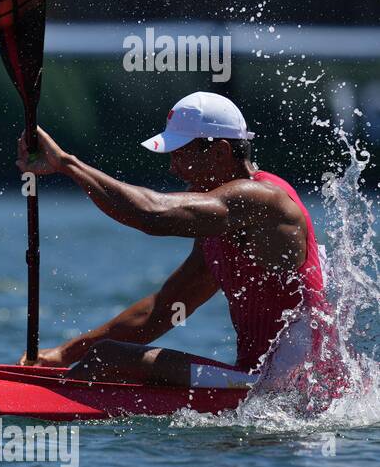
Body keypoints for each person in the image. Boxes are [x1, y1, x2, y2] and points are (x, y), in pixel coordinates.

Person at [17, 91, 338, 394]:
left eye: (181, 154)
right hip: (260, 383)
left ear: (220, 152)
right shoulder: (220, 224)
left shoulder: (263, 200)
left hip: (294, 389)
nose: (173, 167)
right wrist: (63, 354)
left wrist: (67, 165)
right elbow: (164, 311)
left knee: (108, 359)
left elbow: (152, 214)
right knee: (106, 358)